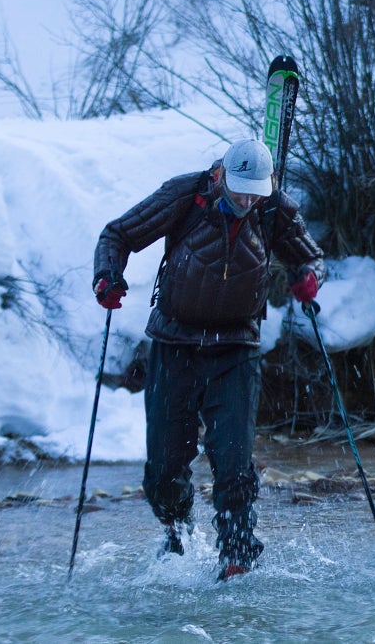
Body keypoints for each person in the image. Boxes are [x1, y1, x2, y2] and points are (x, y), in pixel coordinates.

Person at [92, 138, 325, 580]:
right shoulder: (185, 195)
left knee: (234, 463)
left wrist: (309, 278)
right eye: (240, 191)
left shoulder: (274, 208)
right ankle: (177, 529)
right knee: (164, 471)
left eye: (255, 193)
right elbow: (117, 235)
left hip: (236, 347)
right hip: (174, 342)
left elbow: (310, 258)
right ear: (220, 176)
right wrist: (107, 277)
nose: (247, 201)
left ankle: (237, 559)